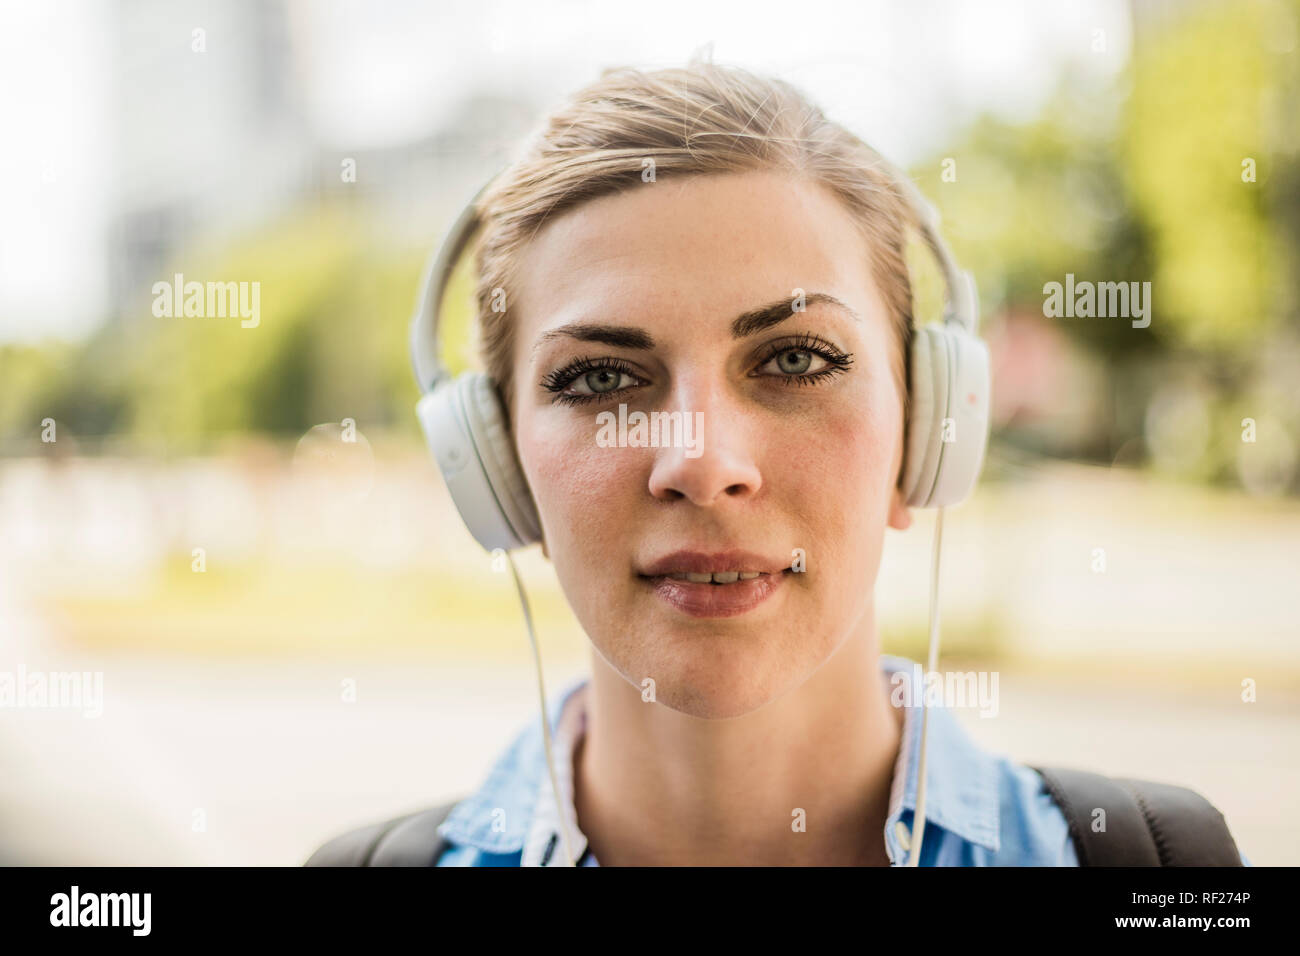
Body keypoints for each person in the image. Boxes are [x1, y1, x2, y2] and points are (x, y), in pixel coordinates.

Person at [309, 58, 1244, 867]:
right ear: (497, 466)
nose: (701, 462)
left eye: (797, 359)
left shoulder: (1154, 869)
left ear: (925, 427)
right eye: (599, 378)